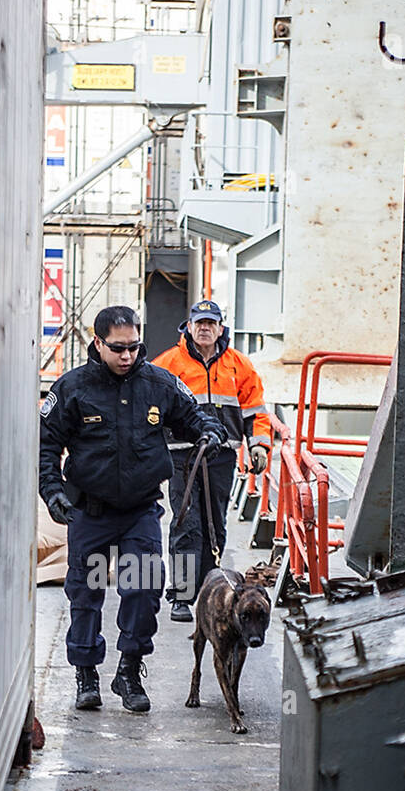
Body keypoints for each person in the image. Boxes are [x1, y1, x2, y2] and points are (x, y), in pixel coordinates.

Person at [39, 305, 226, 714]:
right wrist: (52, 491)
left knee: (142, 589)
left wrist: (210, 430)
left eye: (134, 348)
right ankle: (86, 674)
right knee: (85, 594)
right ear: (98, 343)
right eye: (118, 349)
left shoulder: (160, 383)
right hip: (89, 513)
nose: (127, 357)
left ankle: (129, 669)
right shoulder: (72, 388)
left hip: (139, 512)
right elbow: (47, 444)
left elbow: (195, 416)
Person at [153, 300, 273, 621]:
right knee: (185, 523)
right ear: (188, 327)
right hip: (182, 457)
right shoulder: (168, 364)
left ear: (221, 328)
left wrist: (259, 445)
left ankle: (209, 590)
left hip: (221, 458)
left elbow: (256, 411)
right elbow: (149, 410)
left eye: (211, 323)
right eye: (199, 323)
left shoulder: (239, 366)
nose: (205, 328)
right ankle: (181, 595)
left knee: (214, 524)